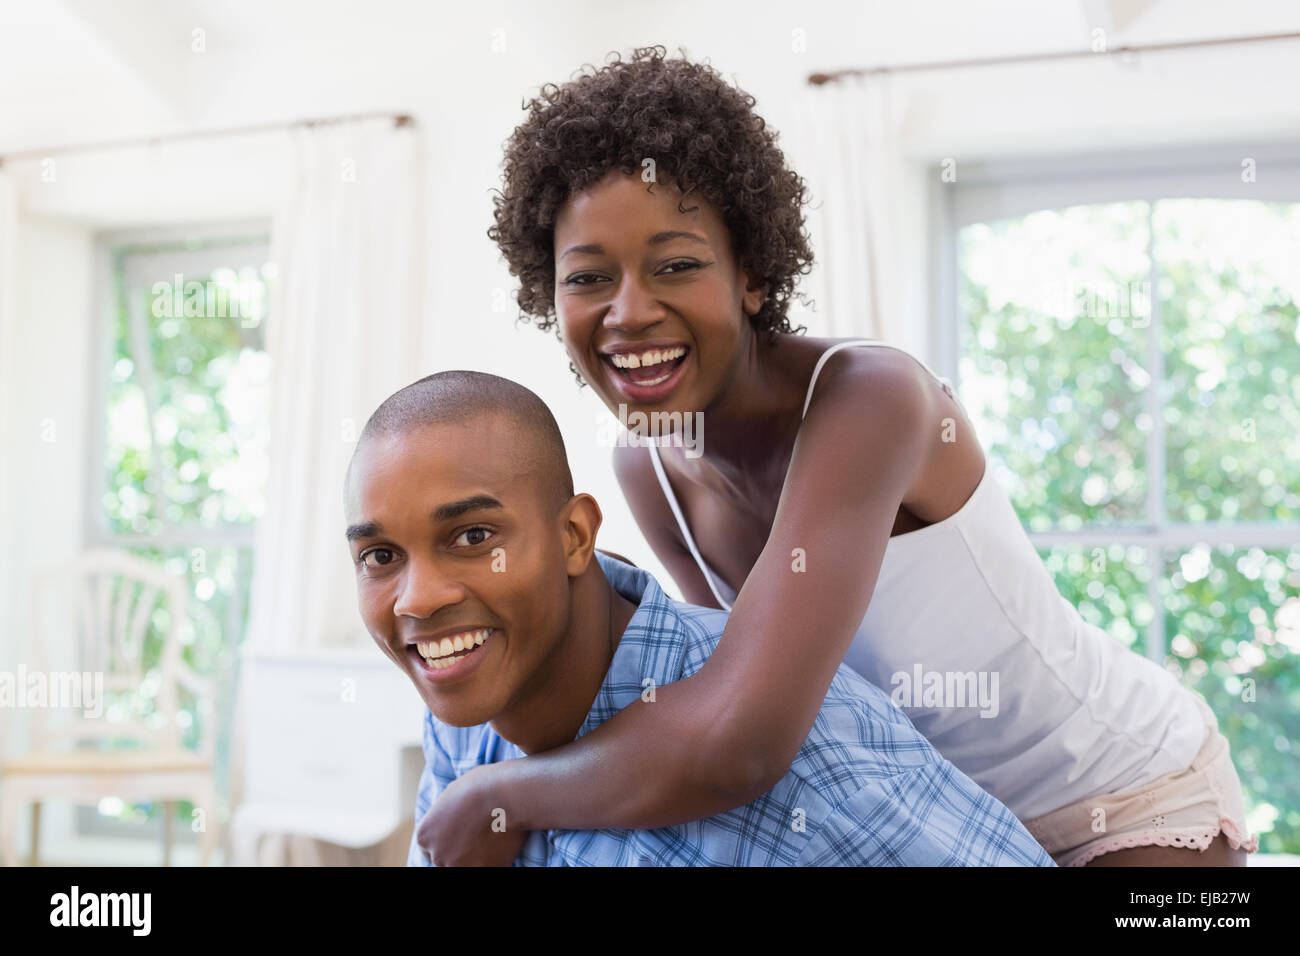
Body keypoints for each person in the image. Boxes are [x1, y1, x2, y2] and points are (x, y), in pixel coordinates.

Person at [424, 45, 1259, 868]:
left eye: (677, 265)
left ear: (750, 274)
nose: (629, 312)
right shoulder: (649, 472)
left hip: (1128, 798)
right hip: (942, 826)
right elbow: (713, 695)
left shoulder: (872, 399)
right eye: (588, 278)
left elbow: (740, 740)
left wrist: (502, 797)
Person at [344, 371, 1054, 866]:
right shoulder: (466, 703)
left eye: (473, 538)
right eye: (380, 555)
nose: (418, 599)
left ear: (574, 538)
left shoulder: (811, 789)